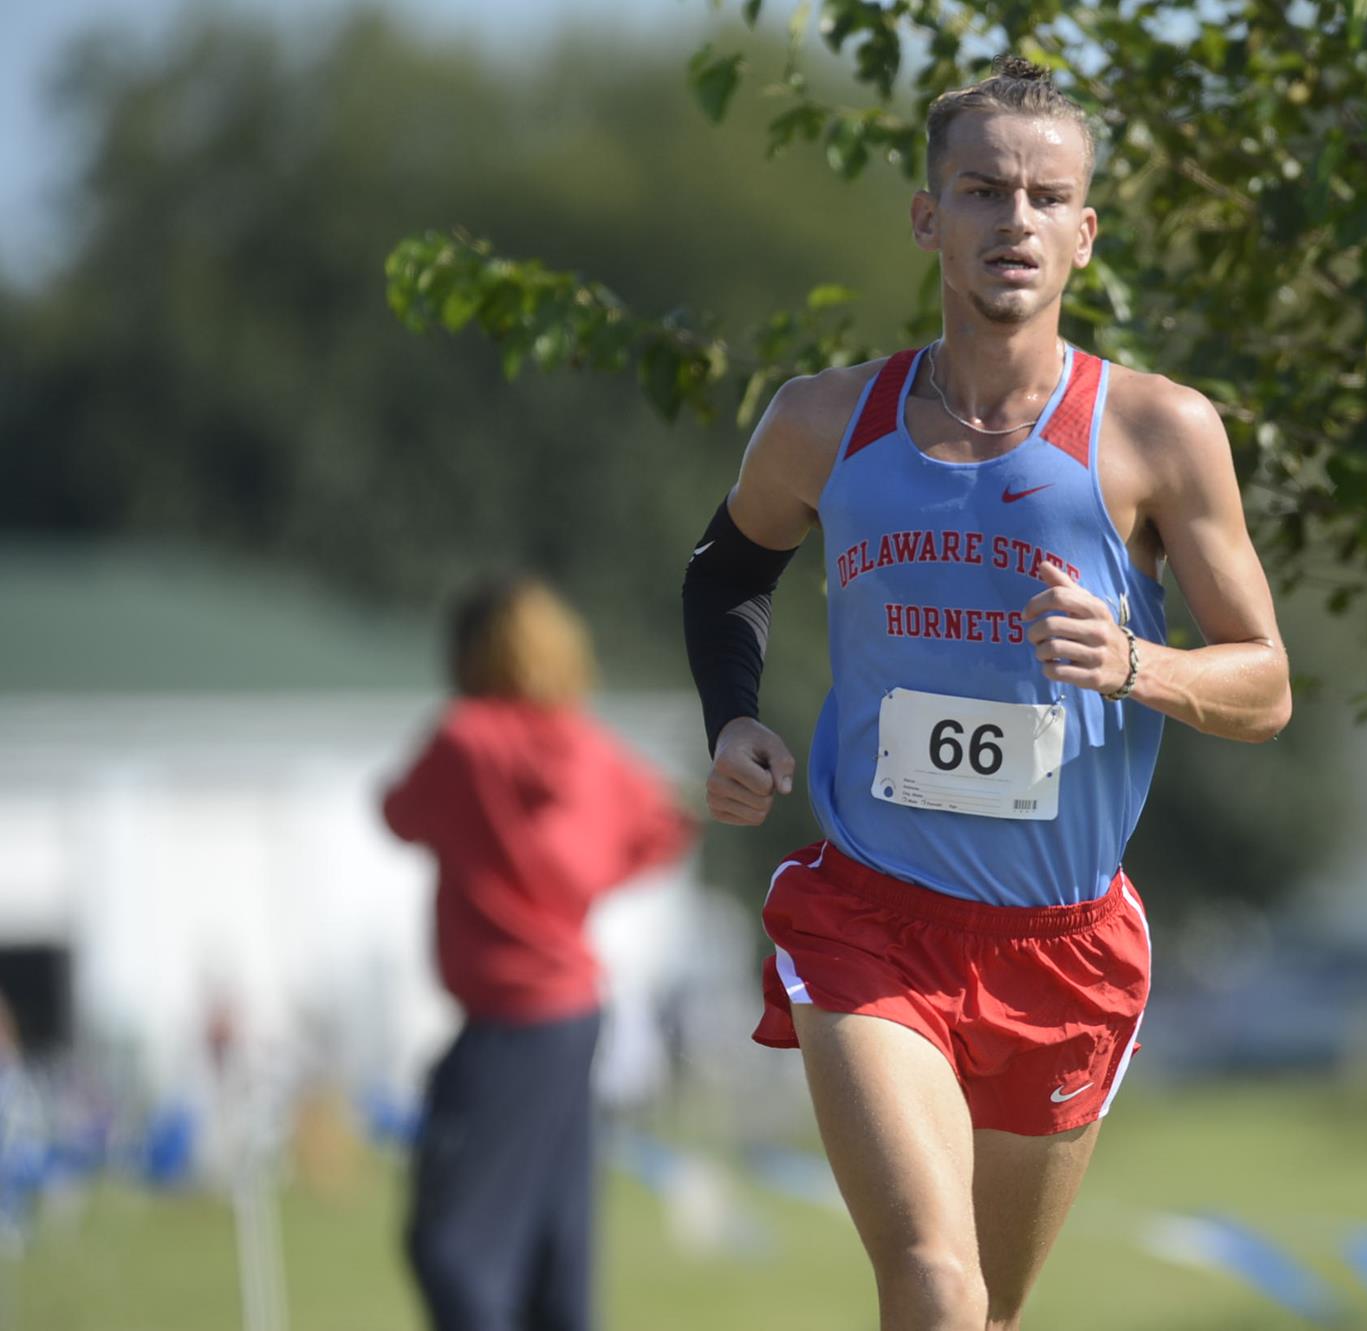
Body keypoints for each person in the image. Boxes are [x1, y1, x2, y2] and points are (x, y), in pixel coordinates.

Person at [681, 55, 1291, 1331]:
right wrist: (730, 714)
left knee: (991, 1312)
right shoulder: (822, 420)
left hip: (1060, 947)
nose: (1011, 219)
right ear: (927, 218)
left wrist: (1137, 663)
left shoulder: (1157, 433)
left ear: (1083, 233)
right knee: (934, 1284)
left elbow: (1266, 682)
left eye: (1040, 196)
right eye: (979, 190)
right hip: (871, 919)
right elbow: (725, 569)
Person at [383, 575, 696, 1331]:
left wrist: (493, 868)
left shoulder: (464, 740)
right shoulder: (589, 748)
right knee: (555, 1253)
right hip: (574, 1013)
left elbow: (399, 814)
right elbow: (668, 822)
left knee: (449, 1243)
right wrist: (575, 887)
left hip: (508, 1020)